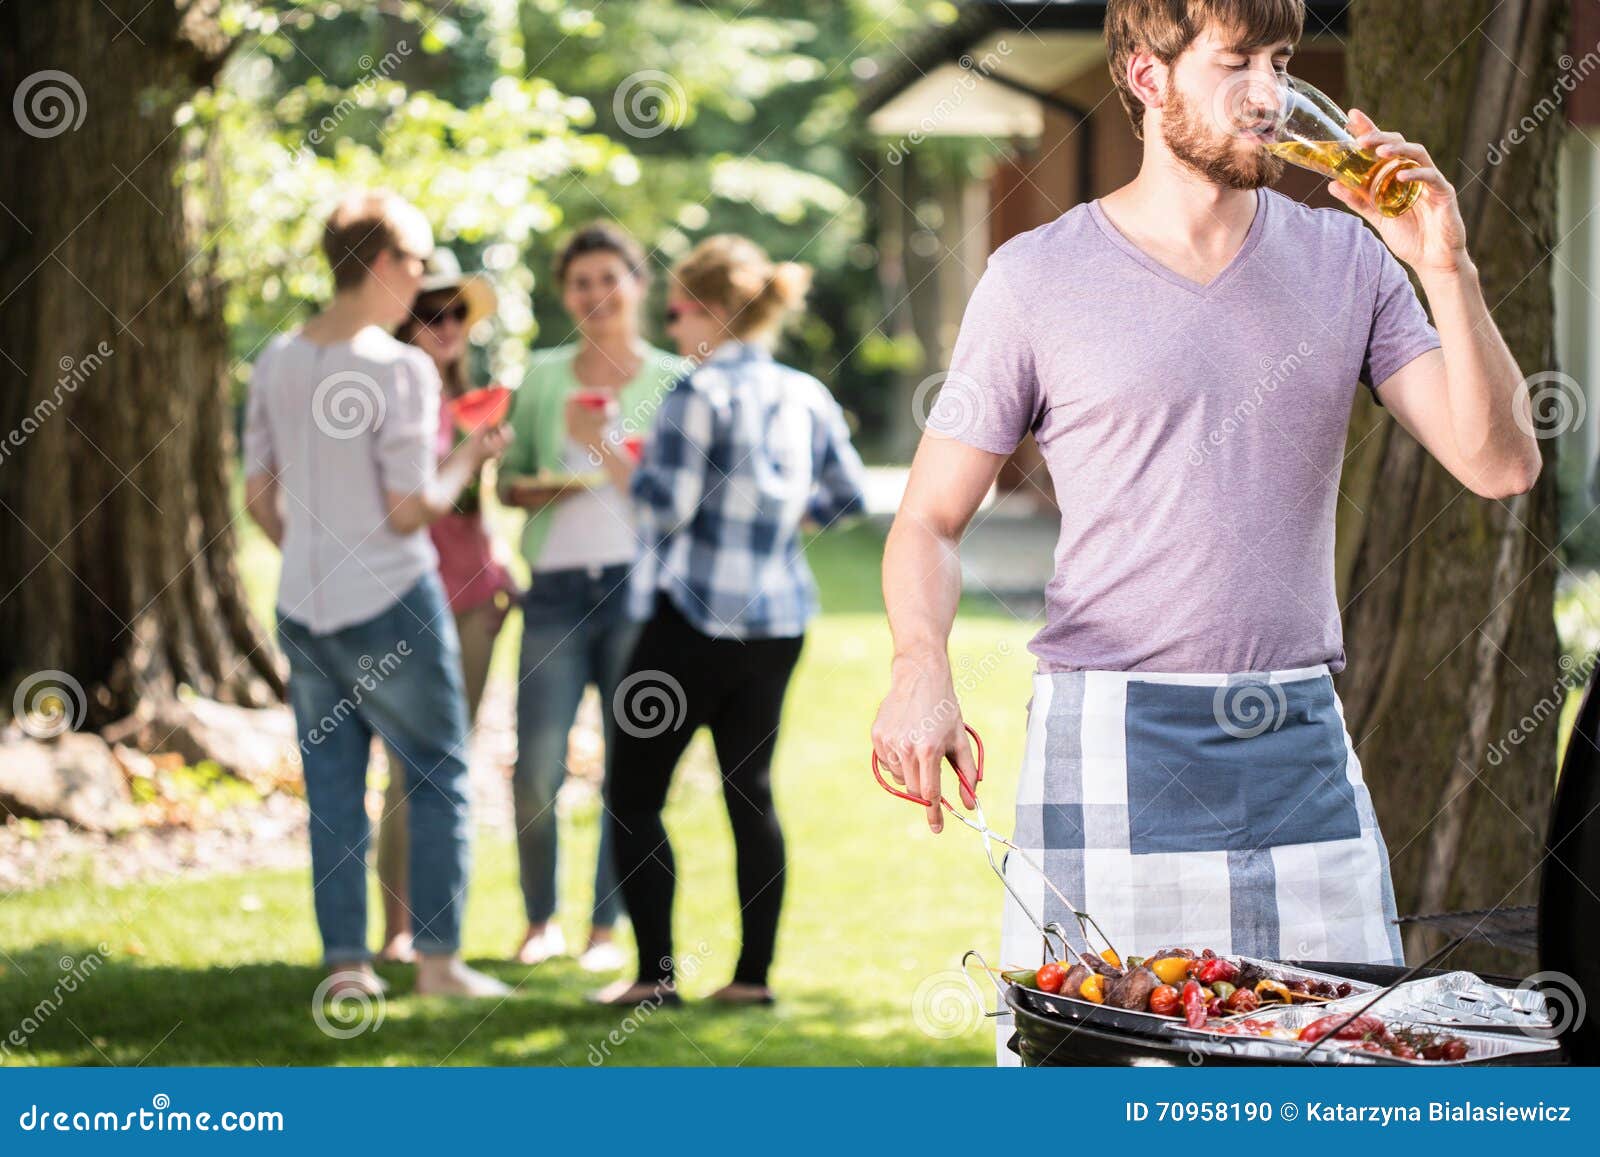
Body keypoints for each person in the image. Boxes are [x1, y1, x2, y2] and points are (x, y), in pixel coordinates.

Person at [868, 0, 1542, 1063]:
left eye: (1281, 60)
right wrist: (920, 665)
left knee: (1338, 1074)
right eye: (1237, 63)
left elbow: (1501, 465)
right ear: (1147, 76)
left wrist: (1444, 268)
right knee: (1099, 1087)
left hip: (1296, 736)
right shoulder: (1034, 278)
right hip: (1107, 735)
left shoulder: (1352, 261)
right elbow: (928, 520)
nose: (1271, 94)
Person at [243, 190, 512, 999]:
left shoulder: (276, 358)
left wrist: (314, 556)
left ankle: (348, 966)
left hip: (303, 603)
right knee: (437, 772)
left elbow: (258, 496)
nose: (424, 278)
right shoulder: (400, 367)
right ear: (387, 262)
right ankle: (438, 963)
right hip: (394, 598)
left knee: (333, 789)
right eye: (420, 261)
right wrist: (469, 457)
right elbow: (410, 508)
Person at [596, 235, 868, 1007]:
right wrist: (780, 524)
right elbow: (848, 496)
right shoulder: (804, 392)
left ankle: (654, 978)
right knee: (751, 793)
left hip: (691, 621)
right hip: (777, 623)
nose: (674, 326)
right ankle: (752, 979)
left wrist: (611, 457)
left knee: (633, 794)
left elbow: (663, 507)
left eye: (679, 311)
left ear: (713, 310)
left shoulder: (698, 392)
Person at [497, 222, 682, 970]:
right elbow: (508, 480)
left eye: (610, 278)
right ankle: (539, 919)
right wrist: (540, 485)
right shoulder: (543, 377)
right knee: (536, 767)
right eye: (580, 283)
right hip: (555, 590)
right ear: (564, 294)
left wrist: (606, 451)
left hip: (638, 591)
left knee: (625, 767)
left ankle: (606, 930)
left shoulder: (673, 380)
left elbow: (678, 497)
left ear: (639, 284)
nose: (596, 294)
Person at [374, 249, 519, 964]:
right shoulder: (392, 397)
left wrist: (502, 571)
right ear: (406, 321)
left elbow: (473, 511)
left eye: (456, 312)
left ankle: (437, 935)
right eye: (430, 313)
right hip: (410, 598)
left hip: (476, 598)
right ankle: (396, 932)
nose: (447, 325)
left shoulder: (466, 396)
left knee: (450, 762)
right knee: (410, 766)